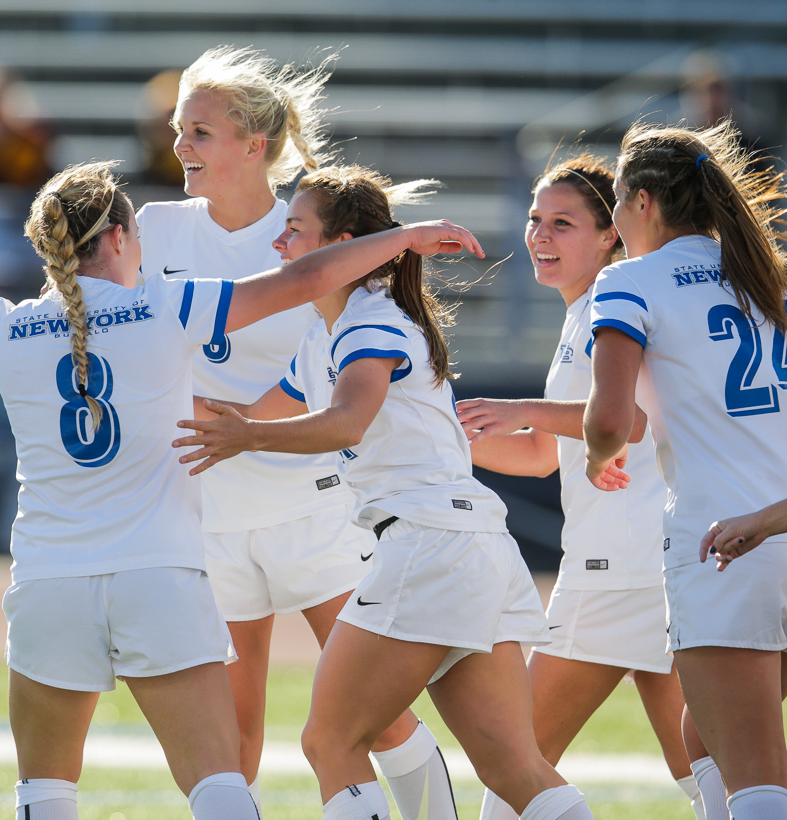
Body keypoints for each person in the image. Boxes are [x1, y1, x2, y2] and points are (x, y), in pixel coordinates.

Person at [0, 161, 484, 820]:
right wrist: (406, 238)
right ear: (120, 237)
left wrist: (9, 324)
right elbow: (305, 280)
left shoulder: (5, 327)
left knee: (44, 791)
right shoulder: (164, 305)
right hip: (160, 575)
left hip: (49, 579)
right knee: (218, 782)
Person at [174, 164, 596, 820]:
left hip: (427, 544)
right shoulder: (328, 330)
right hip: (471, 545)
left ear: (342, 245)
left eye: (295, 230)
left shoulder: (367, 320)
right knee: (514, 766)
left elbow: (345, 422)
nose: (280, 243)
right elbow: (251, 410)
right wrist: (133, 391)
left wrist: (248, 437)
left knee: (330, 741)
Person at [136, 45, 452, 820]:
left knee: (376, 717)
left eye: (200, 131)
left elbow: (326, 359)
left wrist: (237, 421)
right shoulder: (155, 227)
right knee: (232, 731)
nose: (180, 144)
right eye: (179, 128)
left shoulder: (306, 227)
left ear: (255, 144)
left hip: (315, 504)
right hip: (212, 509)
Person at [584, 120, 787, 820]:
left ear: (642, 202)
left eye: (616, 202)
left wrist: (598, 456)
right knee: (703, 736)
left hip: (725, 540)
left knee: (755, 771)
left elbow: (608, 422)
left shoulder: (629, 280)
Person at [455, 155, 705, 820]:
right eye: (535, 218)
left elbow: (629, 422)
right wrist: (442, 439)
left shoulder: (610, 305)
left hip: (616, 567)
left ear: (609, 234)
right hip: (651, 561)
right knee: (706, 770)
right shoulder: (589, 312)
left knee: (514, 767)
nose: (540, 234)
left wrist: (521, 409)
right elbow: (542, 457)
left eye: (562, 223)